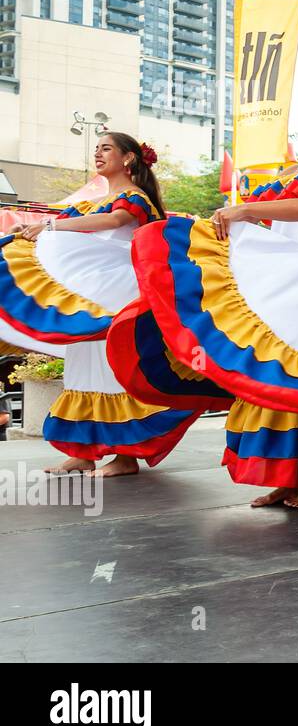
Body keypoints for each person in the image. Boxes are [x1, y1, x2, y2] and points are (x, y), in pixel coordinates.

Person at [116, 91, 298, 507]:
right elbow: (273, 210)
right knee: (283, 371)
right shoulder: (297, 168)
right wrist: (233, 215)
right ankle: (293, 479)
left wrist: (246, 212)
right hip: (296, 278)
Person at [0, 133, 203, 475]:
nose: (98, 154)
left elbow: (115, 222)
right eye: (96, 149)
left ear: (129, 159)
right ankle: (83, 452)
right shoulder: (87, 203)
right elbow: (65, 228)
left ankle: (125, 456)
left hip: (118, 290)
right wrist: (31, 227)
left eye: (106, 148)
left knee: (115, 369)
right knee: (84, 368)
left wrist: (51, 225)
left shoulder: (134, 197)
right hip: (91, 291)